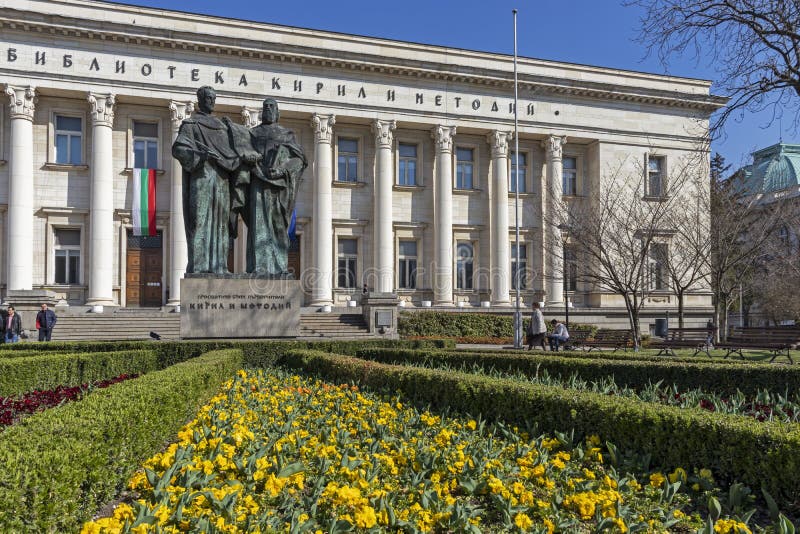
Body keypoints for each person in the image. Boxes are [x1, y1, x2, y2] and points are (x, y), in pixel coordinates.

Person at [172, 86, 244, 274]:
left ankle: (220, 266)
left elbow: (232, 155)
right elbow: (179, 149)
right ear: (200, 99)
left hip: (222, 180)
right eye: (208, 98)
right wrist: (200, 155)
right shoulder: (190, 125)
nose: (211, 101)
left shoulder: (222, 127)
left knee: (221, 224)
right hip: (201, 178)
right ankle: (199, 266)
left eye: (213, 98)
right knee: (200, 221)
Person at [234, 98, 307, 275]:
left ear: (278, 112)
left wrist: (283, 170)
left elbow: (299, 159)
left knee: (277, 225)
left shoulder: (287, 134)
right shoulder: (252, 134)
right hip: (257, 183)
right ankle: (257, 268)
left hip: (279, 188)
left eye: (271, 107)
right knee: (257, 226)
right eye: (265, 107)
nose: (268, 109)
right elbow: (241, 154)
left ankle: (278, 266)